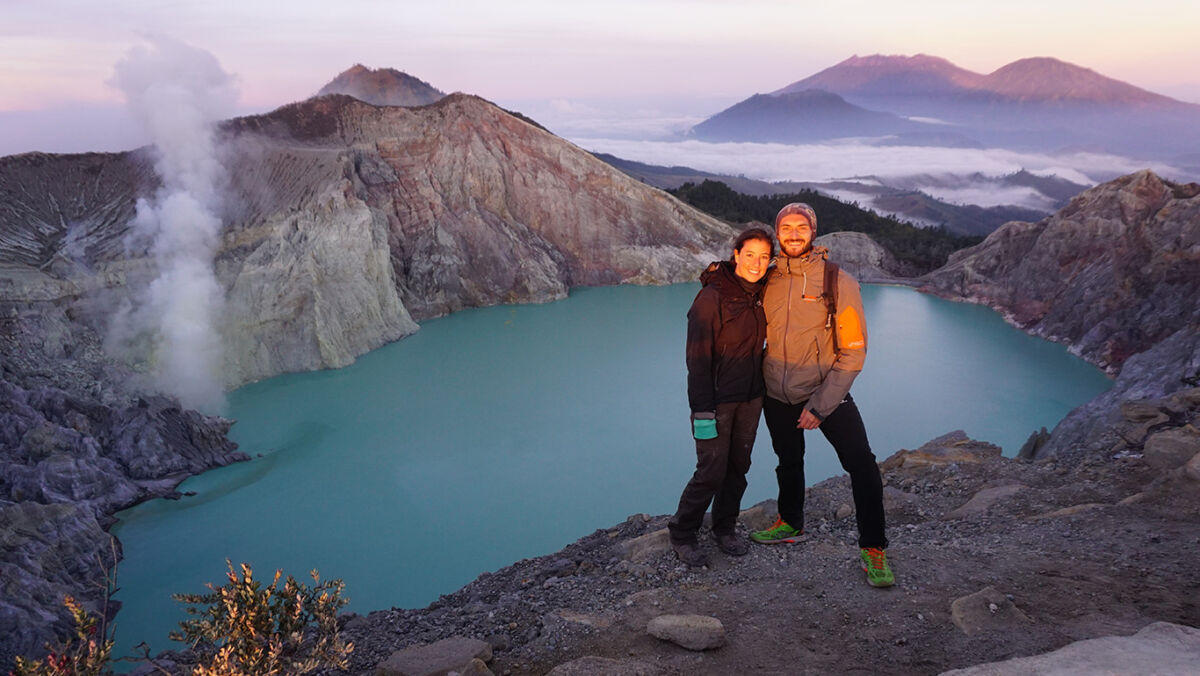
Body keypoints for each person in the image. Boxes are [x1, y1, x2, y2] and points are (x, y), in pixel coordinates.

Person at [750, 203, 894, 588]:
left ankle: (874, 548)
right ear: (777, 233)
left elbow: (854, 350)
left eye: (801, 227)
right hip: (776, 391)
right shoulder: (768, 277)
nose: (793, 234)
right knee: (788, 461)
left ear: (813, 233)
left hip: (824, 392)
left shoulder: (836, 280)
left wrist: (820, 405)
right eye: (786, 227)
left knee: (862, 465)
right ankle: (790, 522)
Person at [667, 228, 773, 567]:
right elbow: (697, 360)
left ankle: (724, 528)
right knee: (711, 469)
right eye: (750, 254)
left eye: (764, 256)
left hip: (751, 399)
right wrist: (702, 412)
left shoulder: (759, 292)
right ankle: (682, 533)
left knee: (738, 467)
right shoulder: (711, 298)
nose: (757, 263)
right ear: (736, 254)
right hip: (714, 404)